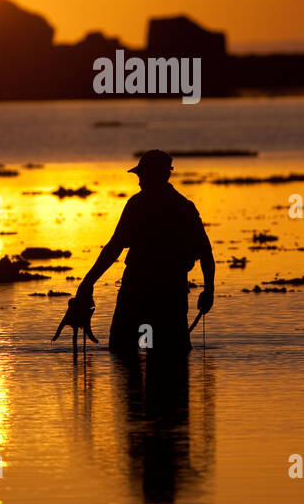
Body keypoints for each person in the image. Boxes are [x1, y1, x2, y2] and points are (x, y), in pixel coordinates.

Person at [76, 150, 214, 357]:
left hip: (137, 294)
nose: (139, 181)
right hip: (172, 295)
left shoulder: (138, 205)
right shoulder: (184, 207)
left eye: (142, 175)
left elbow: (115, 247)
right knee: (169, 353)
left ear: (157, 174)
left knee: (125, 351)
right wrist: (209, 290)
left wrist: (88, 282)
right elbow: (205, 252)